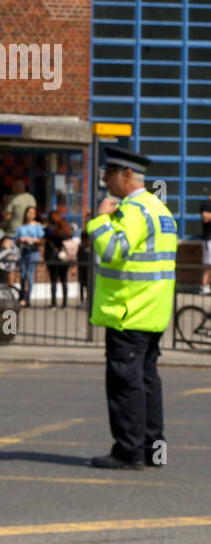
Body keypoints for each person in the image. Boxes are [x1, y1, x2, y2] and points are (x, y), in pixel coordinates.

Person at [85, 146, 176, 470]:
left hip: (128, 311)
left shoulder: (132, 210)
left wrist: (98, 220)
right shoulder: (160, 209)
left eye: (109, 174)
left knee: (126, 384)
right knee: (148, 381)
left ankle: (128, 451)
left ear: (126, 176)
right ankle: (153, 449)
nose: (105, 180)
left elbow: (112, 251)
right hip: (152, 311)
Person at [15, 205, 45, 307]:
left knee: (29, 275)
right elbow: (16, 240)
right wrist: (20, 240)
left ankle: (28, 299)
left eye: (32, 212)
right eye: (29, 212)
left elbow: (41, 240)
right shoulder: (21, 227)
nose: (30, 215)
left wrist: (30, 240)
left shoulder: (38, 226)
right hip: (24, 252)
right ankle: (22, 296)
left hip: (34, 252)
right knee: (22, 275)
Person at [43, 210, 73, 309]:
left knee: (53, 280)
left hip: (52, 257)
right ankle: (64, 303)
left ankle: (54, 303)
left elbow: (45, 237)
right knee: (64, 280)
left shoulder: (50, 229)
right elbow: (70, 236)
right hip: (64, 257)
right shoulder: (66, 228)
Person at [200, 191, 211, 295]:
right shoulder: (207, 203)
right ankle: (204, 286)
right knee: (208, 264)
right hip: (209, 239)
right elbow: (205, 217)